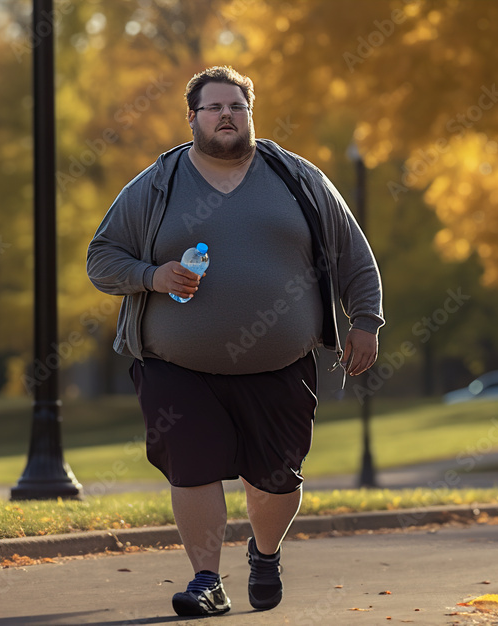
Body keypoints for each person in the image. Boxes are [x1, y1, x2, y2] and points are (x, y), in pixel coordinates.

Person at [86, 66, 384, 617]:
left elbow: (353, 253)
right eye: (214, 107)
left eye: (236, 107)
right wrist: (152, 275)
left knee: (277, 480)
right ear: (192, 117)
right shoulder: (158, 183)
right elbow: (101, 258)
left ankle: (265, 555)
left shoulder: (298, 178)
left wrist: (365, 320)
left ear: (250, 114)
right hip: (176, 364)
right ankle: (206, 580)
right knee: (192, 466)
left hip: (280, 364)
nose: (226, 115)